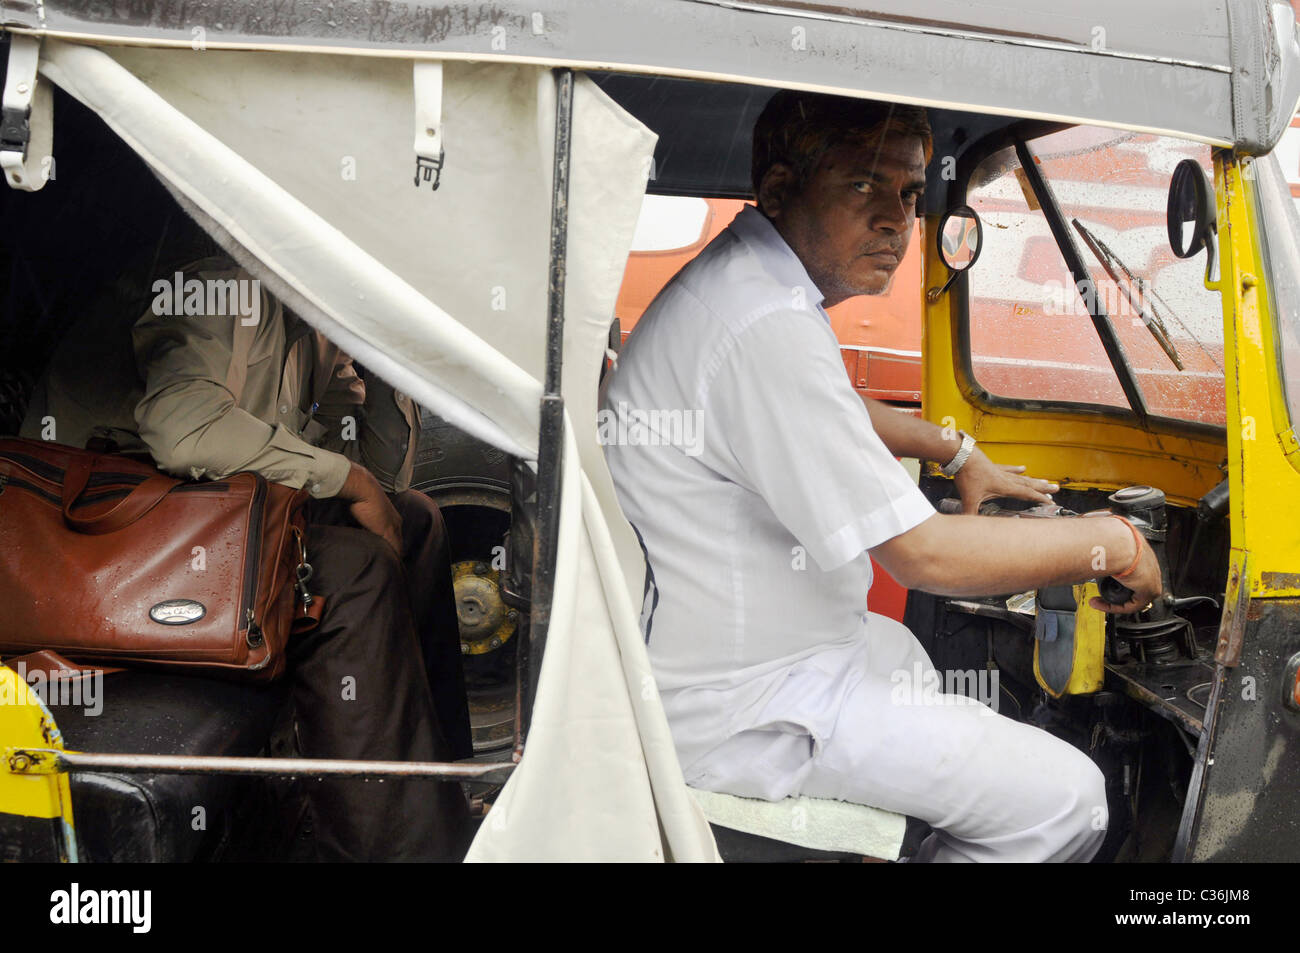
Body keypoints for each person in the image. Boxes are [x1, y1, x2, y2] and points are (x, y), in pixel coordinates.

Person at [601, 91, 1163, 863]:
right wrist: (1114, 542)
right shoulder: (763, 324)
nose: (898, 221)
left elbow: (836, 402)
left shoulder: (748, 288)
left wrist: (959, 454)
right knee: (1066, 801)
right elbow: (923, 557)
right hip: (745, 707)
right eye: (863, 187)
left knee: (902, 654)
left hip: (734, 658)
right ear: (777, 187)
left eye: (908, 194)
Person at [21, 230, 473, 862]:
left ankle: (446, 790)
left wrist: (381, 359)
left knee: (416, 522)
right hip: (90, 532)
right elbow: (186, 431)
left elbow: (383, 485)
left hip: (190, 522)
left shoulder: (313, 326)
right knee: (350, 569)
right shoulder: (218, 279)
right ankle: (388, 846)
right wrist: (352, 481)